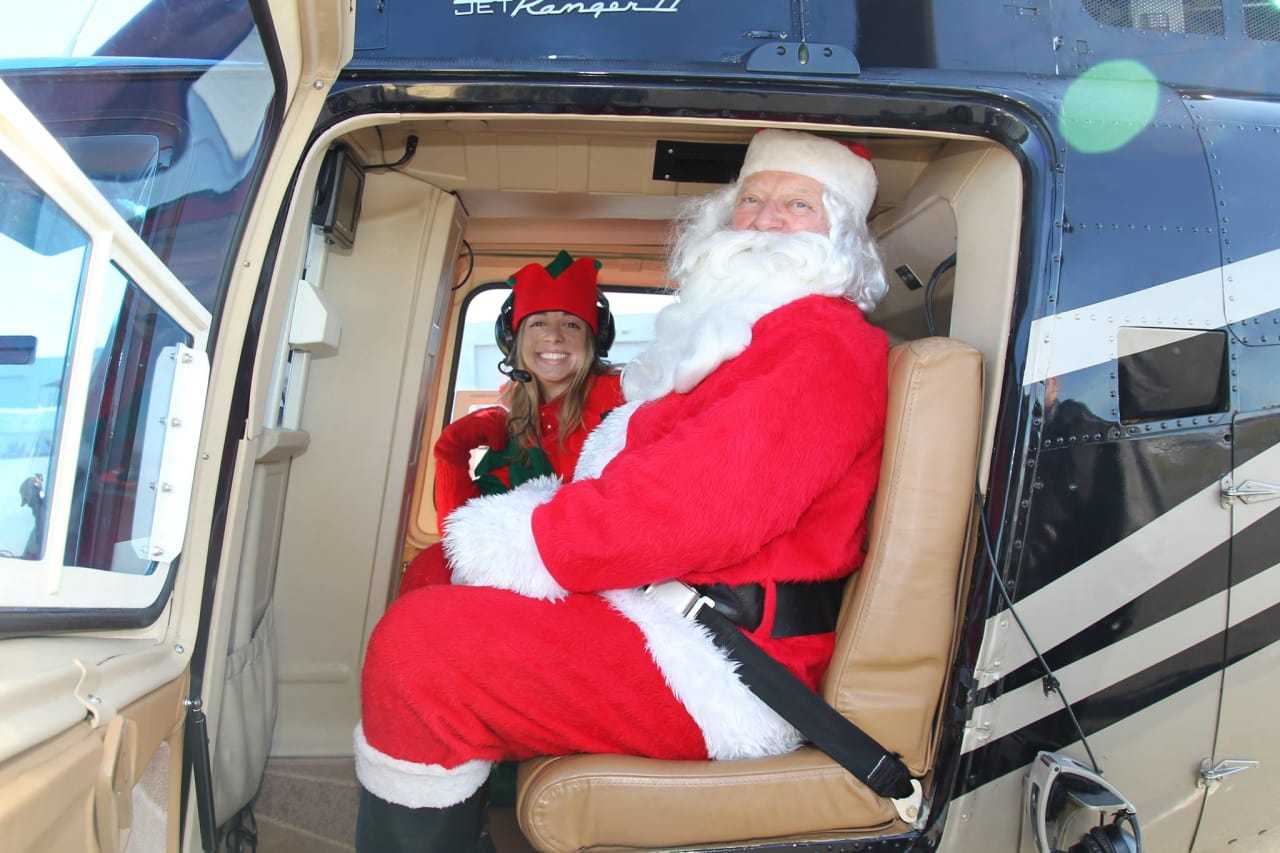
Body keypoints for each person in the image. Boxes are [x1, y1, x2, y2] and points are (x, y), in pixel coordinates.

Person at [355, 129, 891, 852]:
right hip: (675, 600)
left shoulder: (822, 343)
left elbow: (696, 508)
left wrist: (531, 540)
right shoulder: (746, 338)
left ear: (842, 236)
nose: (765, 220)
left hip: (727, 657)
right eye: (752, 199)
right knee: (432, 570)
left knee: (420, 651)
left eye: (798, 204)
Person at [398, 251, 624, 594]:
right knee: (429, 570)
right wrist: (451, 451)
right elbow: (462, 540)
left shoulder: (619, 401)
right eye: (538, 323)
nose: (554, 336)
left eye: (571, 324)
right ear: (513, 340)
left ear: (593, 341)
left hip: (592, 577)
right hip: (533, 574)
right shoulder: (519, 423)